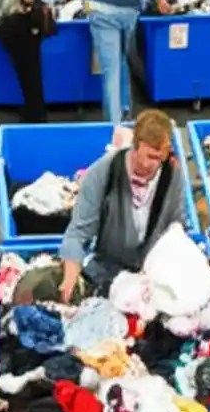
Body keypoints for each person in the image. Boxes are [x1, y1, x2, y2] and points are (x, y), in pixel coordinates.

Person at [58, 109, 187, 302]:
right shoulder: (103, 172)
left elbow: (176, 225)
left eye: (156, 159)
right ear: (134, 146)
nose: (147, 164)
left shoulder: (172, 174)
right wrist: (69, 277)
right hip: (107, 268)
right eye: (145, 155)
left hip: (153, 272)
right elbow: (78, 232)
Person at [81, 0, 170, 145]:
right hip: (125, 9)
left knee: (111, 66)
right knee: (120, 60)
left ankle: (119, 118)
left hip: (97, 7)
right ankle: (118, 125)